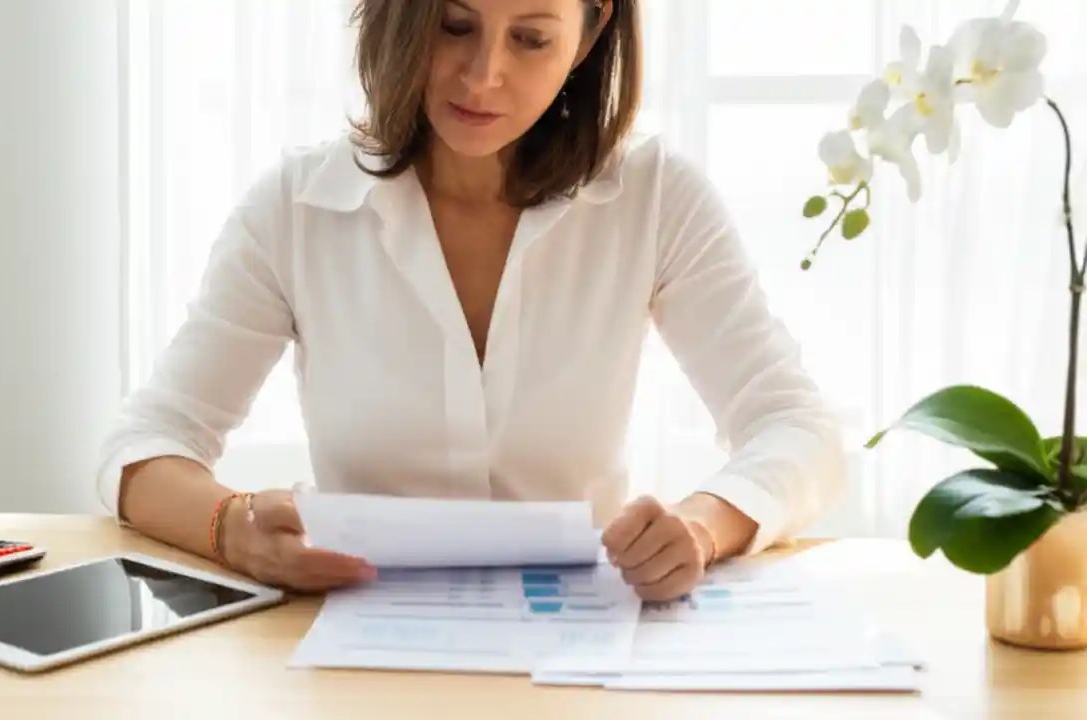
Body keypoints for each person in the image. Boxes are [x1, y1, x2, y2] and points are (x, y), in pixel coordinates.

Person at [97, 0, 846, 602]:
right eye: (455, 25)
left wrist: (700, 527)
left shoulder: (654, 198)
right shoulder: (297, 208)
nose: (483, 76)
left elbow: (796, 429)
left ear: (588, 39)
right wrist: (231, 528)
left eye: (530, 38)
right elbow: (140, 449)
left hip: (580, 654)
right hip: (357, 654)